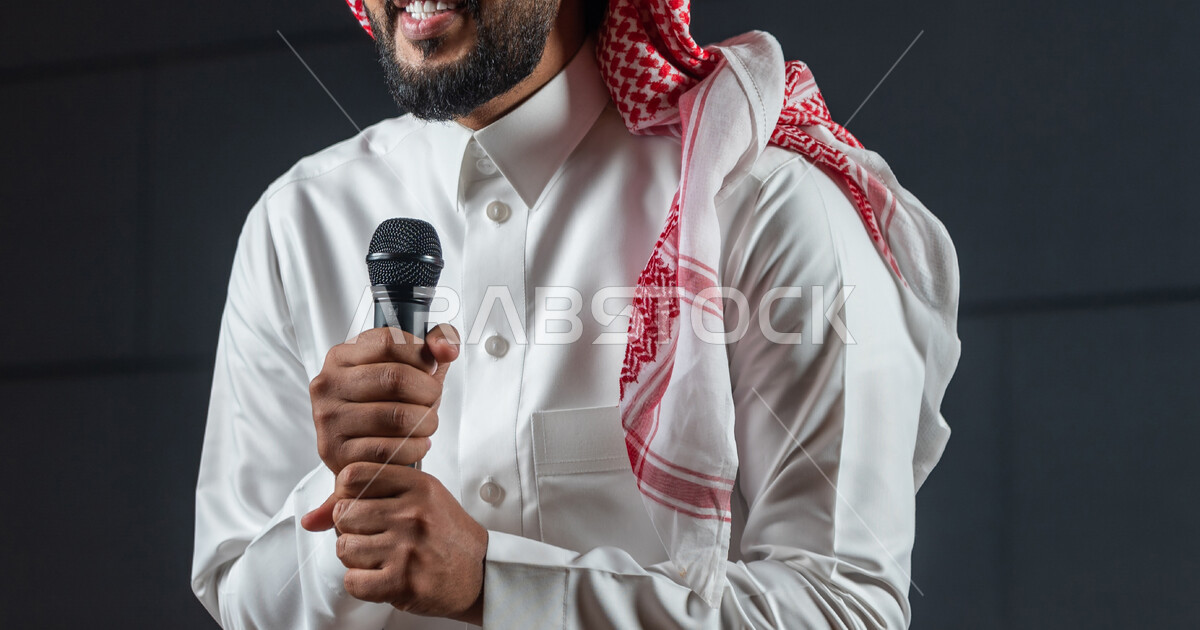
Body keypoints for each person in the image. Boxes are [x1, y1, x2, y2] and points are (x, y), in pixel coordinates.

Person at [190, 0, 961, 627]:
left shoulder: (757, 208)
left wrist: (494, 584)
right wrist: (349, 502)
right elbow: (241, 596)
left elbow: (841, 609)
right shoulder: (297, 223)